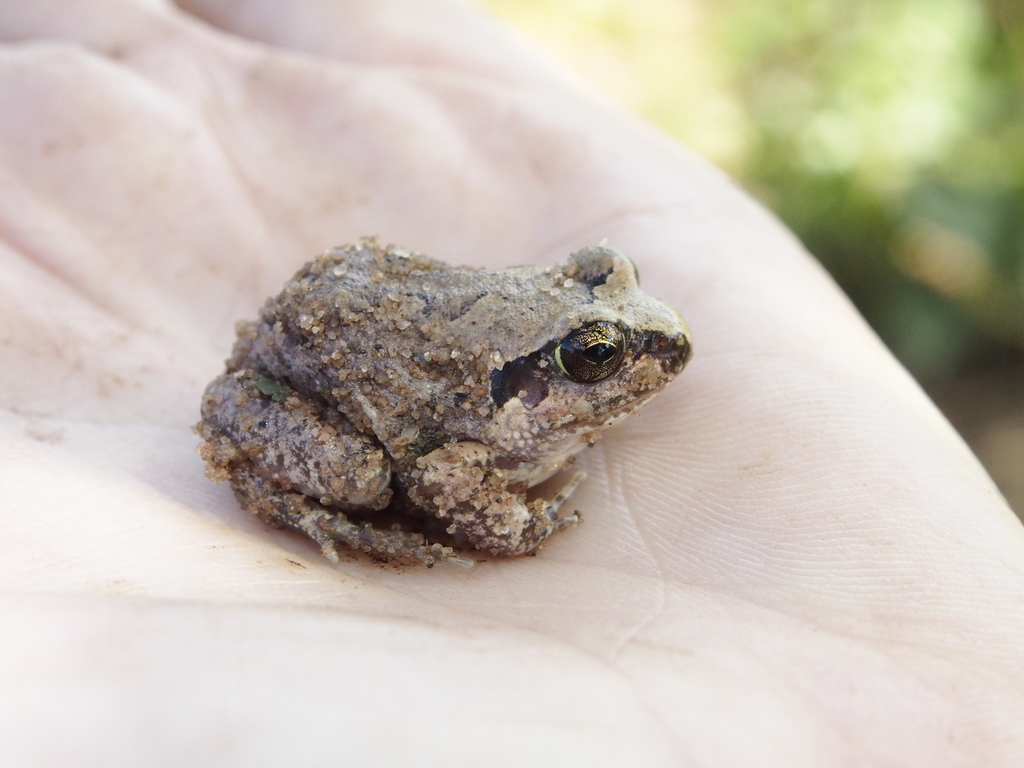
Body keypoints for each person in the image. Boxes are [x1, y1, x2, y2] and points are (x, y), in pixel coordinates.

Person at [2, 0, 1022, 764]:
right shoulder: (487, 429)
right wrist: (521, 527)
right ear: (542, 375)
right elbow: (446, 479)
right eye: (592, 360)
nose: (642, 353)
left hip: (364, 303)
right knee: (365, 480)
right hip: (322, 370)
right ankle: (302, 493)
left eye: (609, 307)